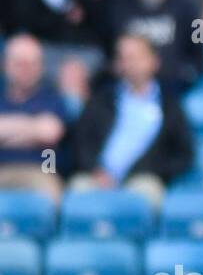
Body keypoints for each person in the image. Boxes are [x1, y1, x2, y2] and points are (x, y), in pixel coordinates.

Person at [70, 34, 194, 208]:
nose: (130, 63)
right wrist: (95, 170)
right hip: (97, 177)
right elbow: (81, 141)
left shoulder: (170, 106)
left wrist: (148, 171)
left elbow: (183, 155)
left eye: (136, 57)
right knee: (78, 189)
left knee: (146, 193)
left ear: (154, 61)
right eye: (124, 58)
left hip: (142, 178)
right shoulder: (101, 100)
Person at [0, 35, 69, 203]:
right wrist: (33, 127)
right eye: (20, 64)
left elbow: (49, 134)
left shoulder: (52, 98)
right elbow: (40, 131)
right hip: (2, 168)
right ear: (6, 66)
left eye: (32, 64)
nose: (26, 69)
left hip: (43, 169)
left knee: (51, 195)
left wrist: (7, 131)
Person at [108, 0, 203, 90]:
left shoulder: (189, 5)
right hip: (127, 85)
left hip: (176, 86)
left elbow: (200, 47)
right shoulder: (121, 5)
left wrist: (184, 73)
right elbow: (112, 48)